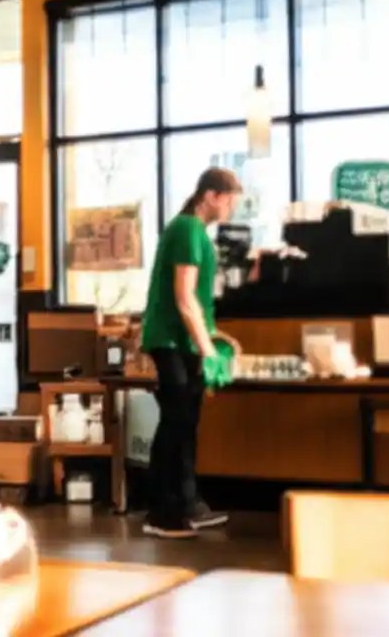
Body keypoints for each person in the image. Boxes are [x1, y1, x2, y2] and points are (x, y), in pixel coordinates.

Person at [139, 167, 243, 539]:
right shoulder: (185, 230)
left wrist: (214, 340)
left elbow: (197, 301)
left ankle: (188, 503)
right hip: (169, 340)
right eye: (229, 201)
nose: (231, 209)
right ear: (211, 196)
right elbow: (184, 299)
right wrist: (207, 350)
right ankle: (161, 513)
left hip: (185, 341)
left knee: (187, 423)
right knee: (176, 421)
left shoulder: (196, 233)